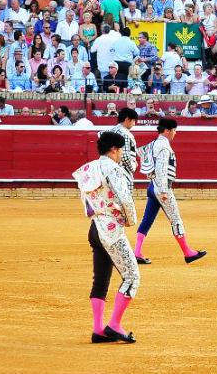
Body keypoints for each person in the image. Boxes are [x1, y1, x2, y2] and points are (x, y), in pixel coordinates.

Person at [72, 130, 139, 343]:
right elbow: (125, 199)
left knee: (100, 279)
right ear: (113, 149)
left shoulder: (89, 168)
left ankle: (98, 329)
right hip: (110, 231)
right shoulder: (114, 169)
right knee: (131, 276)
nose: (121, 155)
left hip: (94, 228)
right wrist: (131, 220)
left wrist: (95, 214)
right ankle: (115, 325)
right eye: (120, 150)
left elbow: (85, 200)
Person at [133, 118, 207, 265]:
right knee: (176, 220)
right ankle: (188, 253)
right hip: (161, 188)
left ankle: (137, 252)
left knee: (147, 220)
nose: (175, 133)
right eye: (174, 130)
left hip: (152, 186)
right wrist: (164, 191)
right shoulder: (164, 147)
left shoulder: (154, 143)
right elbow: (161, 170)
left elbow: (141, 152)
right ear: (167, 131)